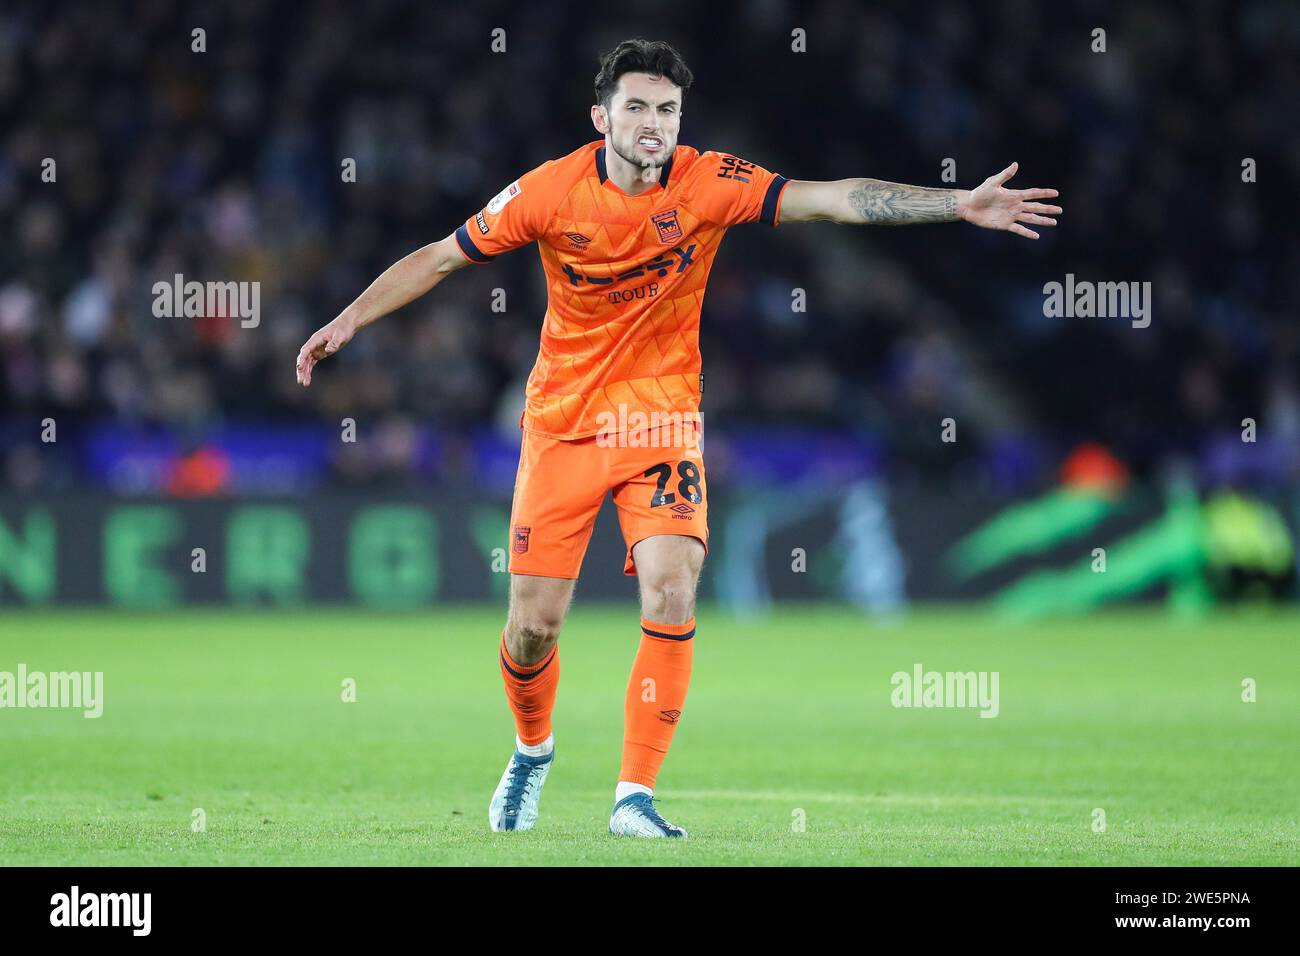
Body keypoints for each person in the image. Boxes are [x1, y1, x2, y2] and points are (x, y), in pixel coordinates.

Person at [295, 37, 1061, 838]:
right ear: (602, 118)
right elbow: (442, 258)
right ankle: (531, 751)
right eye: (637, 107)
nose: (654, 123)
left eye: (667, 109)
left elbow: (831, 199)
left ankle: (634, 796)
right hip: (562, 424)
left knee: (671, 586)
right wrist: (349, 319)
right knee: (532, 628)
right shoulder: (549, 192)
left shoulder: (709, 182)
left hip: (662, 421)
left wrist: (955, 203)